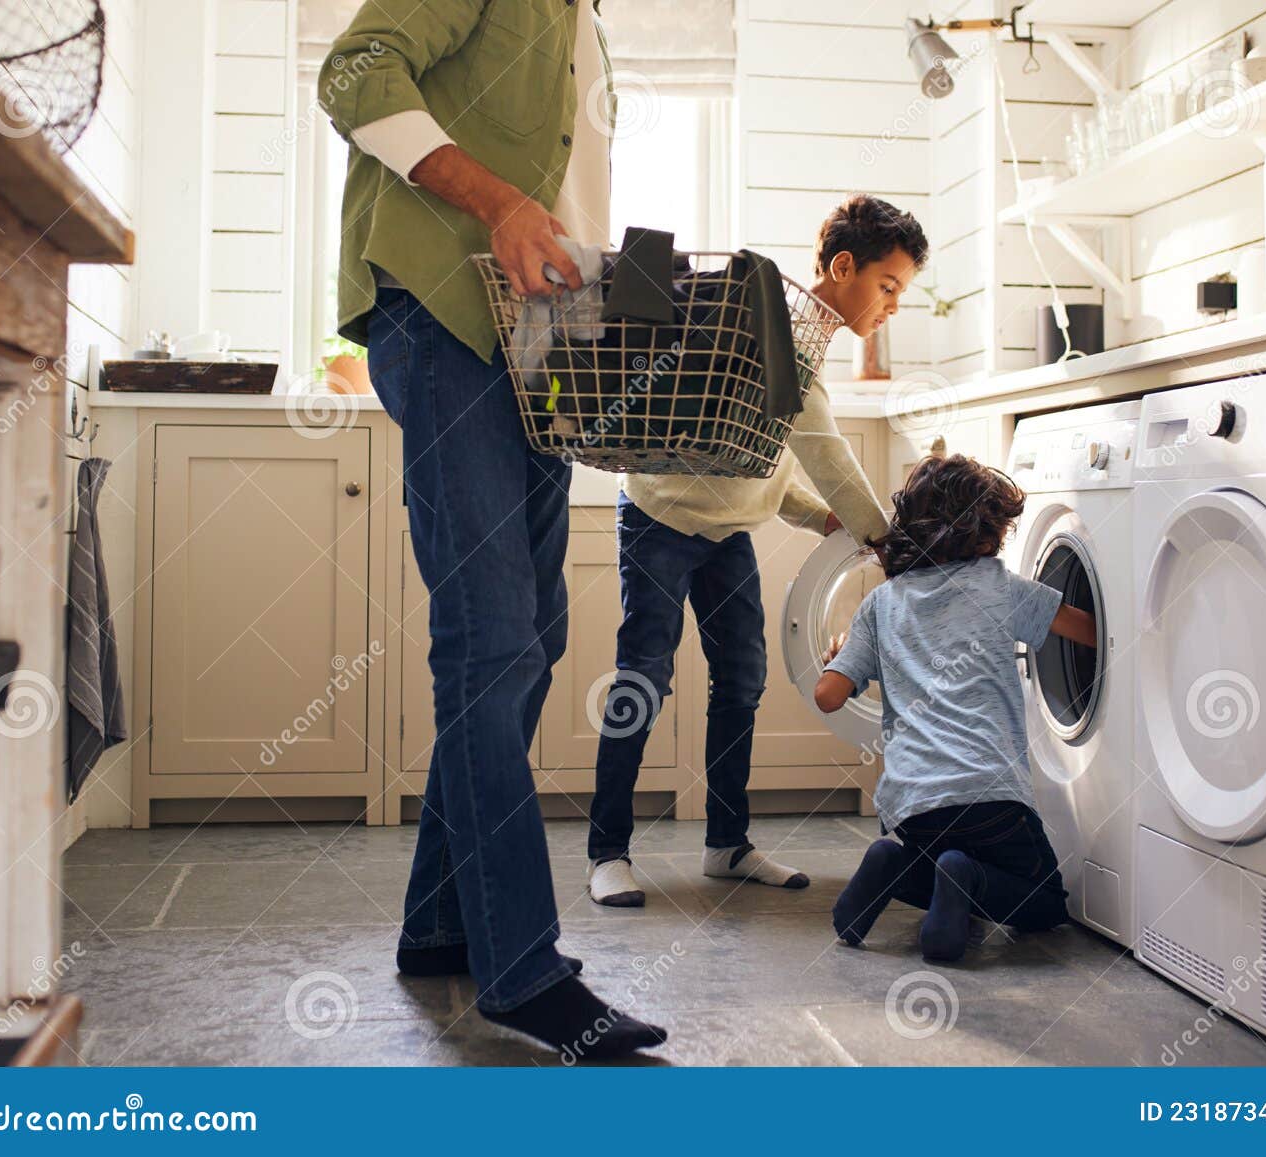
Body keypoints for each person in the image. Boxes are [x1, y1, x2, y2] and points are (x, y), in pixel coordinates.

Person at [318, 0, 666, 1058]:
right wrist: (499, 201)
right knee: (492, 641)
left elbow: (566, 195)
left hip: (539, 343)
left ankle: (439, 924)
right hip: (445, 315)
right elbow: (355, 71)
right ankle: (522, 969)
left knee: (529, 640)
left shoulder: (586, 27)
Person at [584, 194, 927, 907]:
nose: (894, 306)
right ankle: (607, 851)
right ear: (843, 268)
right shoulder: (781, 332)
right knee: (644, 676)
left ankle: (727, 844)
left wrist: (817, 518)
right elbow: (826, 454)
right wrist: (887, 540)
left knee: (741, 680)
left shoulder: (804, 344)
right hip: (660, 517)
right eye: (889, 286)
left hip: (728, 532)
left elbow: (759, 462)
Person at [815, 453, 1098, 963]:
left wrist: (841, 659)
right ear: (985, 536)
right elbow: (1091, 632)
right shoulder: (997, 586)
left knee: (940, 855)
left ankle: (893, 866)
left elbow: (828, 696)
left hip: (912, 805)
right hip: (992, 797)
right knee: (1044, 904)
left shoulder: (881, 603)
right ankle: (963, 877)